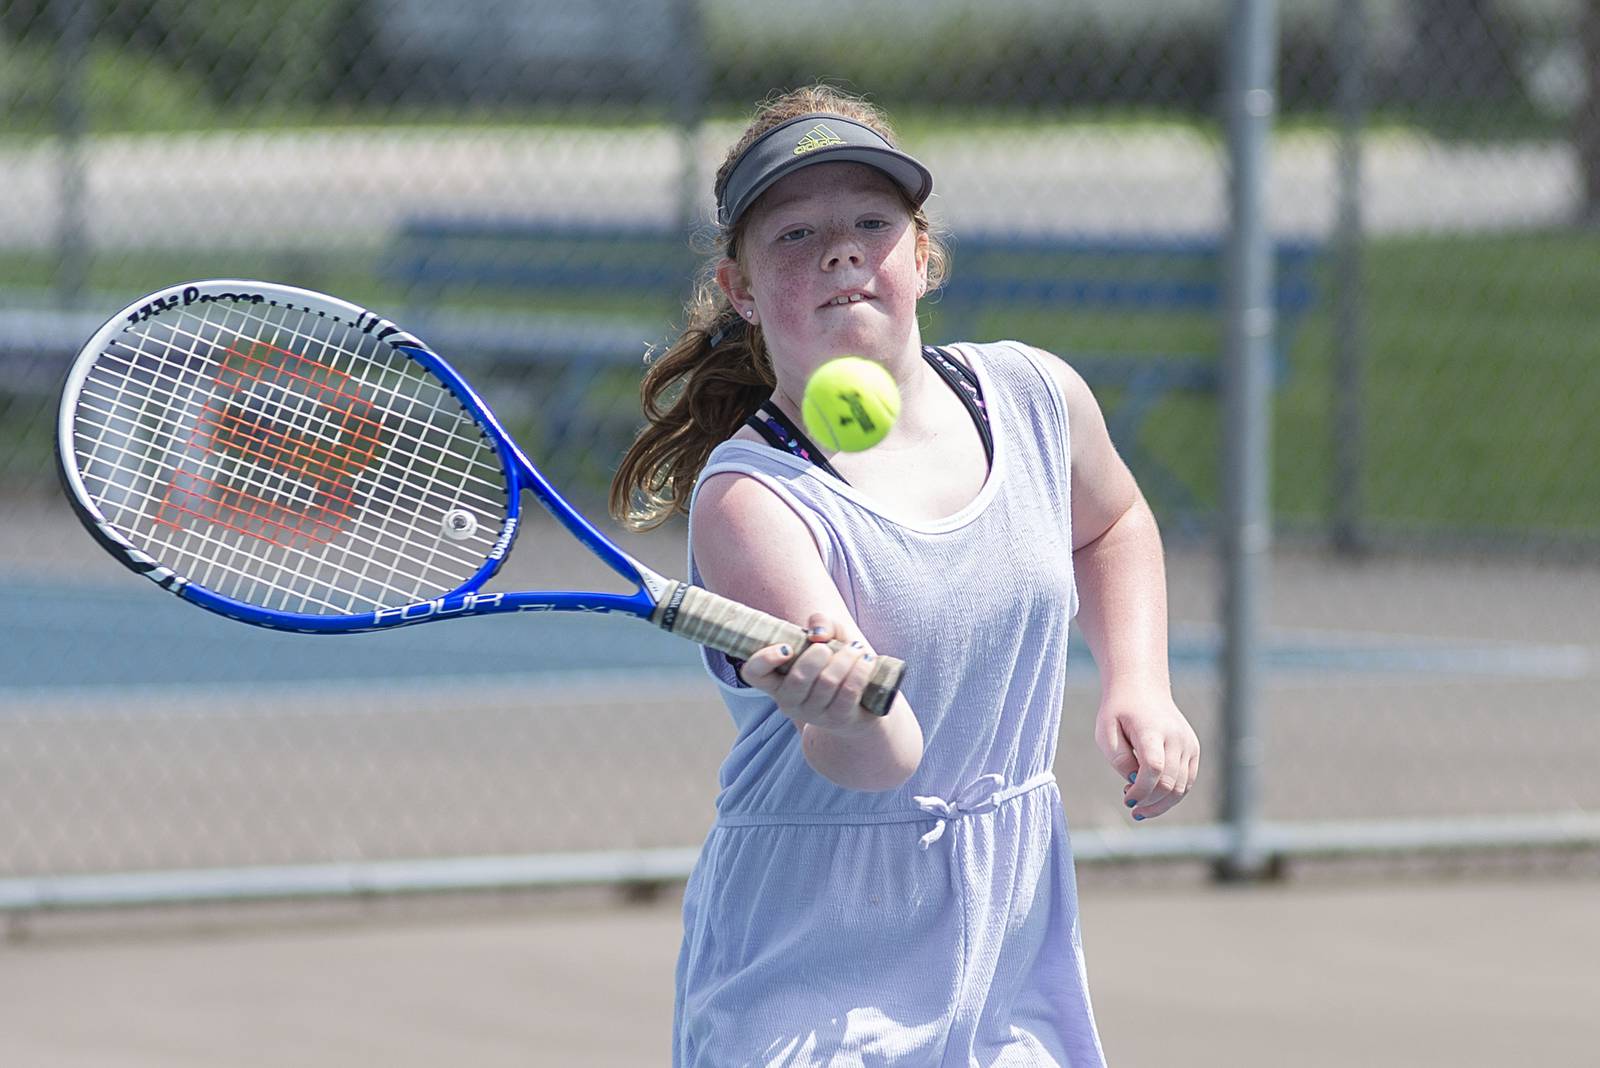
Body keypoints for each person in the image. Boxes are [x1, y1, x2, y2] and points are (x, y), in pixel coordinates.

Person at [610, 84, 1200, 1068]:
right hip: (815, 959)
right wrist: (843, 709)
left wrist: (1139, 683)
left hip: (1012, 941)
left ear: (921, 257)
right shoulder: (752, 499)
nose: (840, 251)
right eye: (795, 235)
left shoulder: (1036, 397)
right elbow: (883, 757)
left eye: (871, 224)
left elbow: (1111, 523)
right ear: (741, 289)